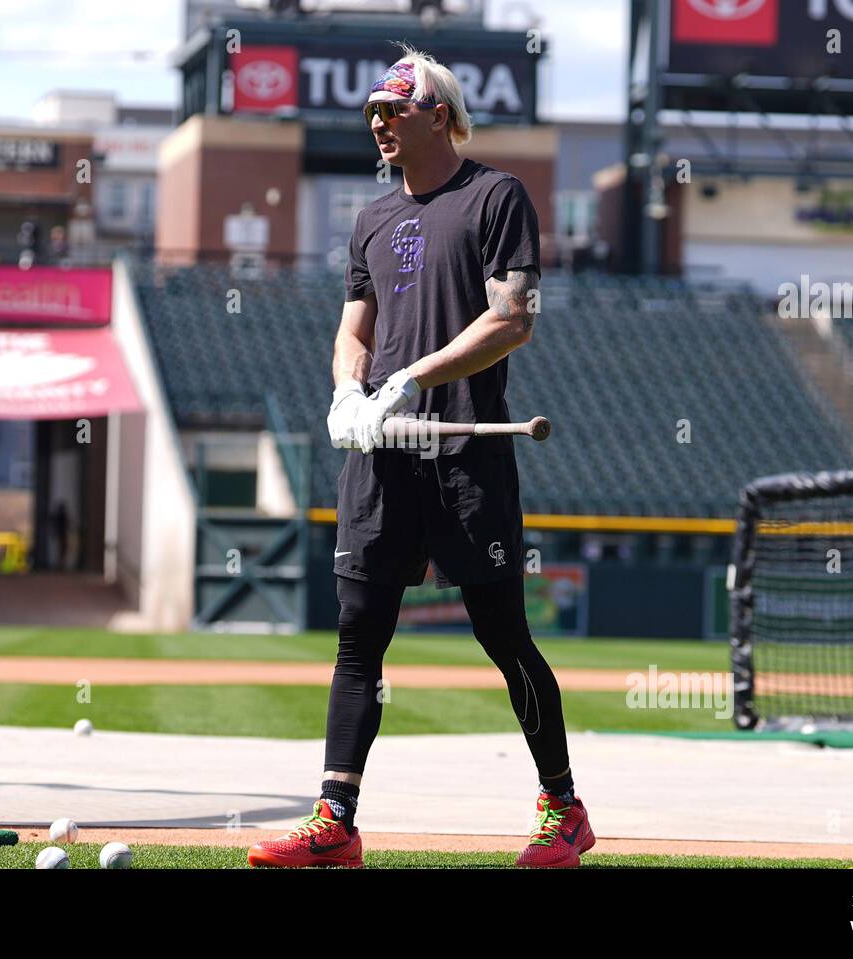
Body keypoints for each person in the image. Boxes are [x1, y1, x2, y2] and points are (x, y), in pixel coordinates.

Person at [247, 49, 593, 869]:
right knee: (358, 635)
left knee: (502, 631)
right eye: (372, 112)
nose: (378, 123)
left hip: (466, 449)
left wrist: (409, 378)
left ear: (439, 112)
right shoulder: (369, 218)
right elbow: (353, 327)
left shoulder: (497, 197)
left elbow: (513, 320)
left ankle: (565, 810)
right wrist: (347, 390)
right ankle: (336, 821)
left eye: (392, 109)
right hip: (382, 453)